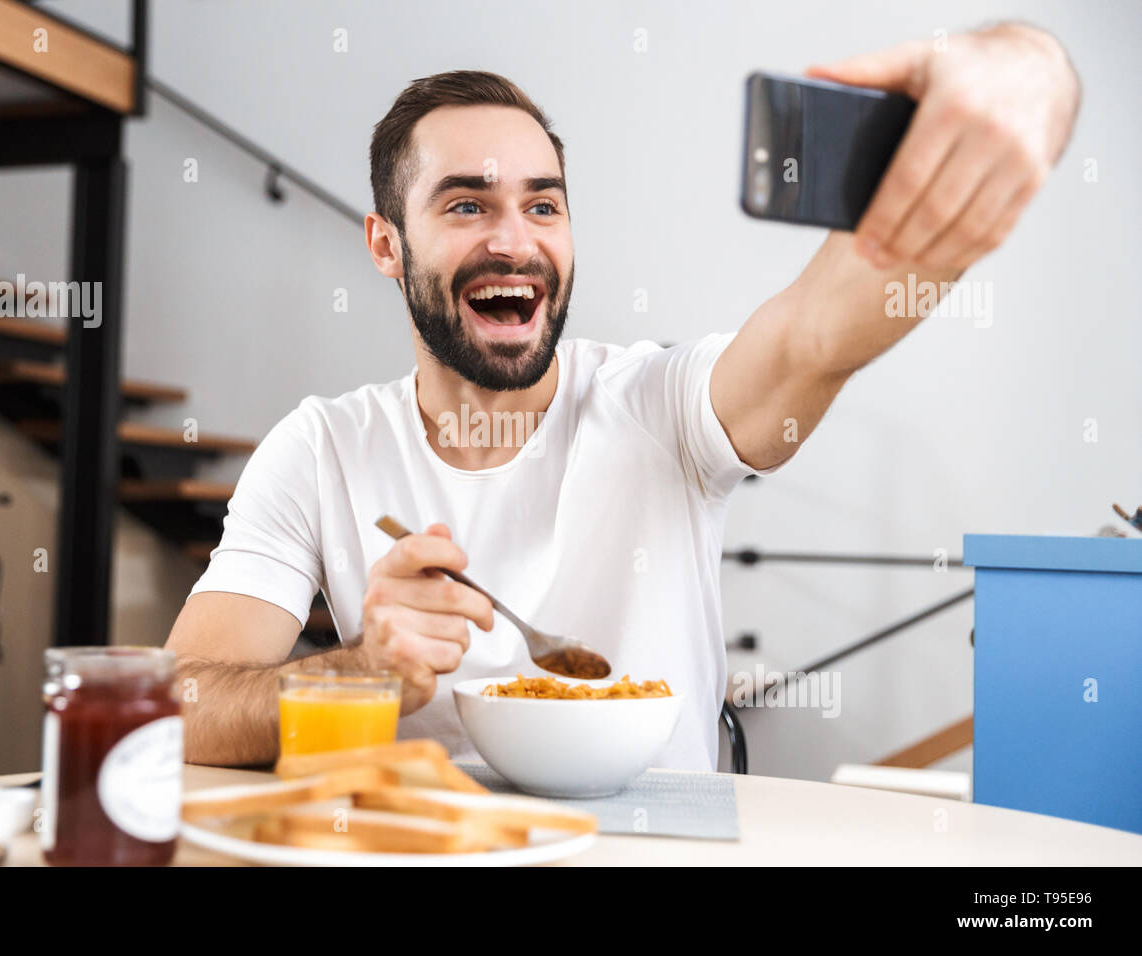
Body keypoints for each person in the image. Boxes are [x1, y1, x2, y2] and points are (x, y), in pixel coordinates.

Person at [167, 22, 1080, 768]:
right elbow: (177, 703)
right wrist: (359, 672)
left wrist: (1030, 73)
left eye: (544, 204)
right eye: (465, 205)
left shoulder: (663, 406)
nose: (516, 241)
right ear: (384, 245)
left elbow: (817, 333)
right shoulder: (321, 448)